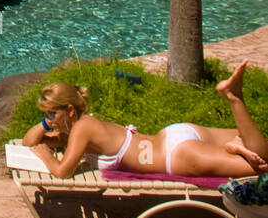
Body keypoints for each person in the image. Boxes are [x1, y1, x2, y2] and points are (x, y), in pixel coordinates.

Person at [22, 60, 268, 179]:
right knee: (258, 146)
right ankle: (233, 144)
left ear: (70, 111)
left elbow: (63, 172)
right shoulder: (84, 127)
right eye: (46, 114)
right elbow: (29, 141)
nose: (49, 119)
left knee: (261, 167)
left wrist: (46, 157)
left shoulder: (82, 130)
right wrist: (47, 124)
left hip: (177, 156)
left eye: (52, 113)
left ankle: (234, 98)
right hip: (176, 135)